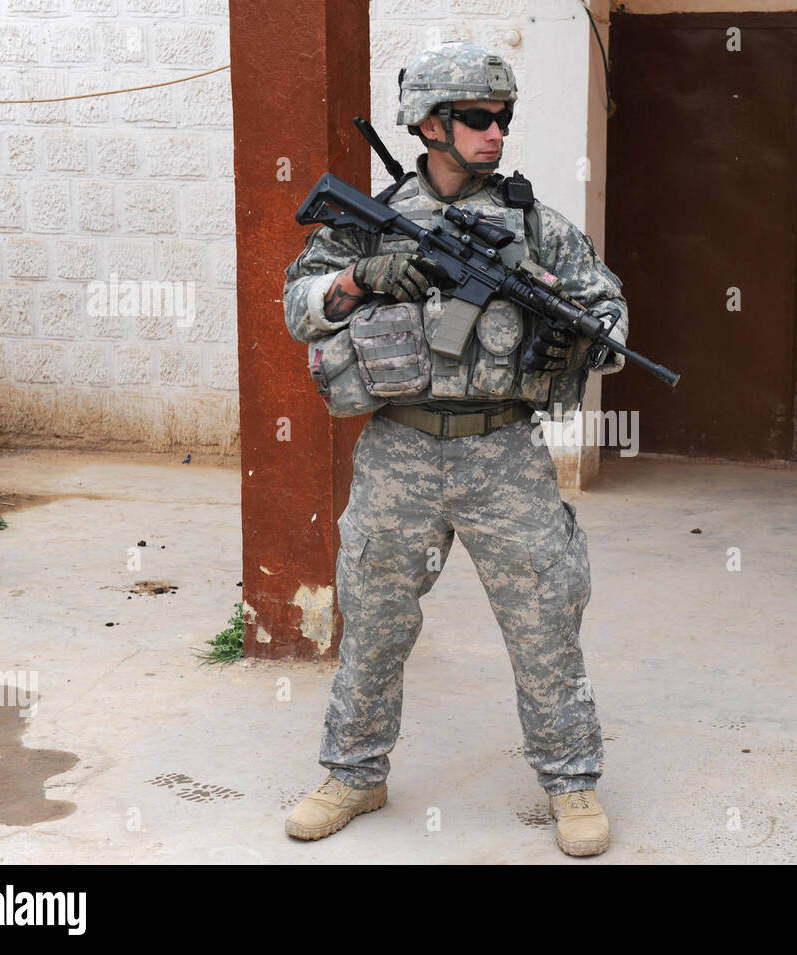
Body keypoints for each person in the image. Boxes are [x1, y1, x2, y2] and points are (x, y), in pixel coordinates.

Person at [279, 42, 629, 857]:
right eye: (477, 117)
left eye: (503, 118)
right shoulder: (368, 219)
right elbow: (300, 307)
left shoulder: (533, 224)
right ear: (429, 124)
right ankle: (354, 772)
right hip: (399, 447)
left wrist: (571, 325)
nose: (496, 132)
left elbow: (607, 310)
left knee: (545, 614)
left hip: (502, 452)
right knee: (372, 616)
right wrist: (361, 280)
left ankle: (572, 783)